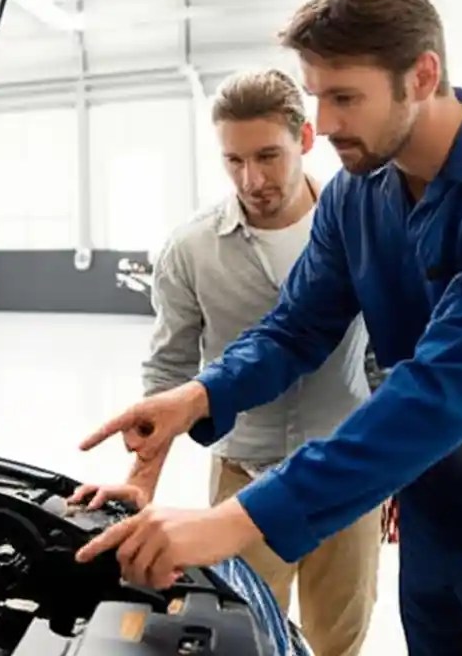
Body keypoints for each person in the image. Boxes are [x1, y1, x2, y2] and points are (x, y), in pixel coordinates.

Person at [74, 0, 462, 656]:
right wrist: (198, 395)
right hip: (432, 504)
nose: (326, 124)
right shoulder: (355, 198)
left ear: (422, 75)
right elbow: (296, 328)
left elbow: (440, 391)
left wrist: (228, 524)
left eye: (345, 98)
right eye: (317, 97)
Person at [71, 68, 384, 656]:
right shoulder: (190, 249)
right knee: (246, 636)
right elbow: (168, 372)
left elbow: (385, 355)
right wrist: (141, 484)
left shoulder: (360, 227)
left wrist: (398, 473)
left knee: (340, 639)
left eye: (269, 156)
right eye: (233, 161)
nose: (253, 178)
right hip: (242, 476)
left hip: (347, 475)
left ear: (307, 139)